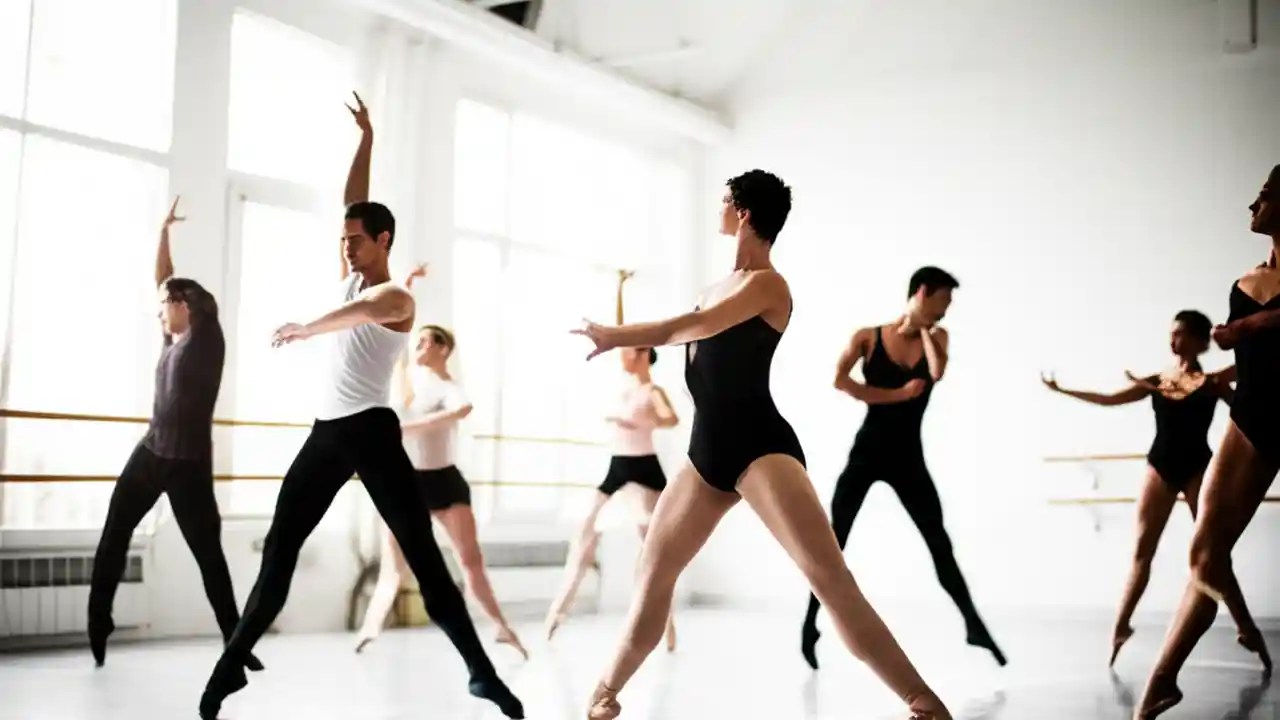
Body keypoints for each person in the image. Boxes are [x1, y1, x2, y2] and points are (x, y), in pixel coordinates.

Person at [571, 170, 951, 719]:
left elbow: (687, 329)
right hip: (706, 454)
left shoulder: (770, 286)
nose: (719, 209)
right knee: (652, 572)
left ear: (743, 212)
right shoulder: (714, 287)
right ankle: (604, 694)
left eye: (725, 201)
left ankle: (923, 702)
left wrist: (615, 335)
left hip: (760, 448)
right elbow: (693, 332)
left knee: (829, 579)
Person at [198, 93, 523, 720]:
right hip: (327, 434)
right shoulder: (350, 271)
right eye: (344, 240)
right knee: (279, 549)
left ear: (384, 240)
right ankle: (230, 665)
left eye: (357, 240)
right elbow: (355, 202)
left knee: (423, 558)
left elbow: (359, 312)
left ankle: (482, 675)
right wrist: (366, 138)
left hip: (373, 433)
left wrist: (307, 327)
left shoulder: (398, 297)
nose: (347, 248)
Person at [86, 197, 262, 672]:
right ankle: (99, 622)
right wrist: (163, 232)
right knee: (114, 534)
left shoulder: (207, 339)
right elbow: (163, 279)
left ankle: (236, 642)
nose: (159, 312)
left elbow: (175, 287)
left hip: (188, 467)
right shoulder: (173, 336)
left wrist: (175, 280)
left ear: (185, 306)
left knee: (209, 555)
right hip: (150, 454)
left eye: (166, 305)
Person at [800, 267, 1006, 670]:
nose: (946, 311)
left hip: (908, 456)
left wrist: (924, 328)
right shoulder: (868, 337)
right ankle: (810, 625)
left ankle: (973, 625)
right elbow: (840, 381)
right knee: (833, 539)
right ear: (923, 292)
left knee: (938, 540)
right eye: (943, 301)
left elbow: (937, 372)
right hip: (867, 452)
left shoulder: (938, 338)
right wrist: (896, 395)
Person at [1043, 311, 1269, 668]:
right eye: (1171, 334)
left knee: (1213, 554)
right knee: (1141, 553)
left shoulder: (1210, 382)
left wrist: (1232, 386)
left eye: (1180, 334)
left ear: (1199, 341)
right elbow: (1109, 399)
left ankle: (1245, 627)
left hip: (1198, 468)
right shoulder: (1158, 381)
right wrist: (1063, 390)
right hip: (1160, 466)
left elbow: (1248, 413)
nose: (1172, 341)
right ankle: (1121, 626)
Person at [1134, 165, 1280, 719]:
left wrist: (1248, 328)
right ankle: (1162, 681)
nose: (1253, 205)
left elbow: (1252, 336)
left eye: (1265, 195)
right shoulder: (1246, 282)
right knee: (1204, 552)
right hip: (1254, 420)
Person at [354, 302, 528, 659]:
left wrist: (409, 428)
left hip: (446, 484)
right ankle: (370, 628)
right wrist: (407, 287)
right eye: (416, 342)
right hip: (408, 484)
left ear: (443, 349)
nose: (418, 347)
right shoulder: (409, 383)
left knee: (470, 562)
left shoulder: (448, 387)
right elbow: (396, 330)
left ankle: (502, 627)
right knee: (394, 568)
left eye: (425, 342)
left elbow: (463, 409)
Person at [544, 269, 679, 649]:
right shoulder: (626, 381)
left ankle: (666, 625)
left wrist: (643, 420)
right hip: (618, 465)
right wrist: (619, 287)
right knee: (585, 531)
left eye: (631, 350)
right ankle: (558, 612)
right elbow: (620, 330)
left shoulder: (652, 390)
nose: (624, 354)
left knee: (651, 549)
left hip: (645, 469)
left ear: (644, 355)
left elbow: (671, 419)